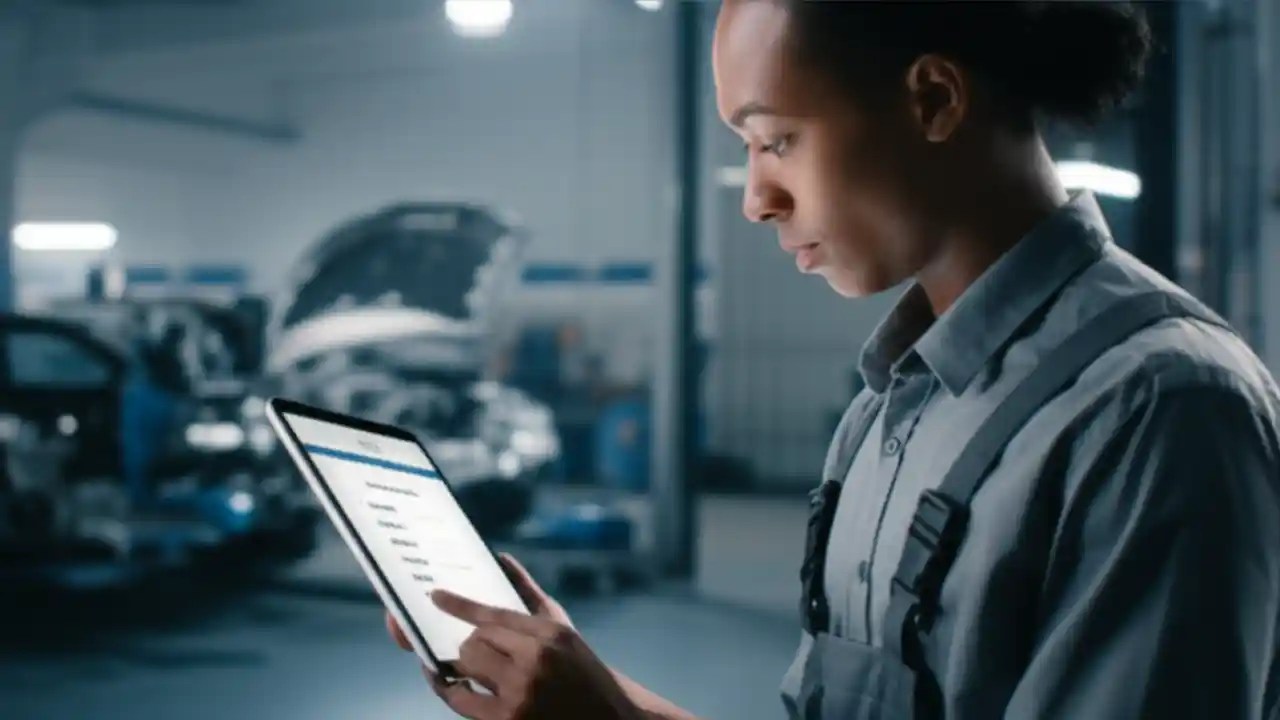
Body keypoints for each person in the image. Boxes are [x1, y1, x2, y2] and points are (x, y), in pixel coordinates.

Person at [386, 1, 1280, 718]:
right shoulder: (889, 410)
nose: (757, 200)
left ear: (934, 99)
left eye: (776, 139)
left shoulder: (1162, 408)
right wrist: (593, 696)